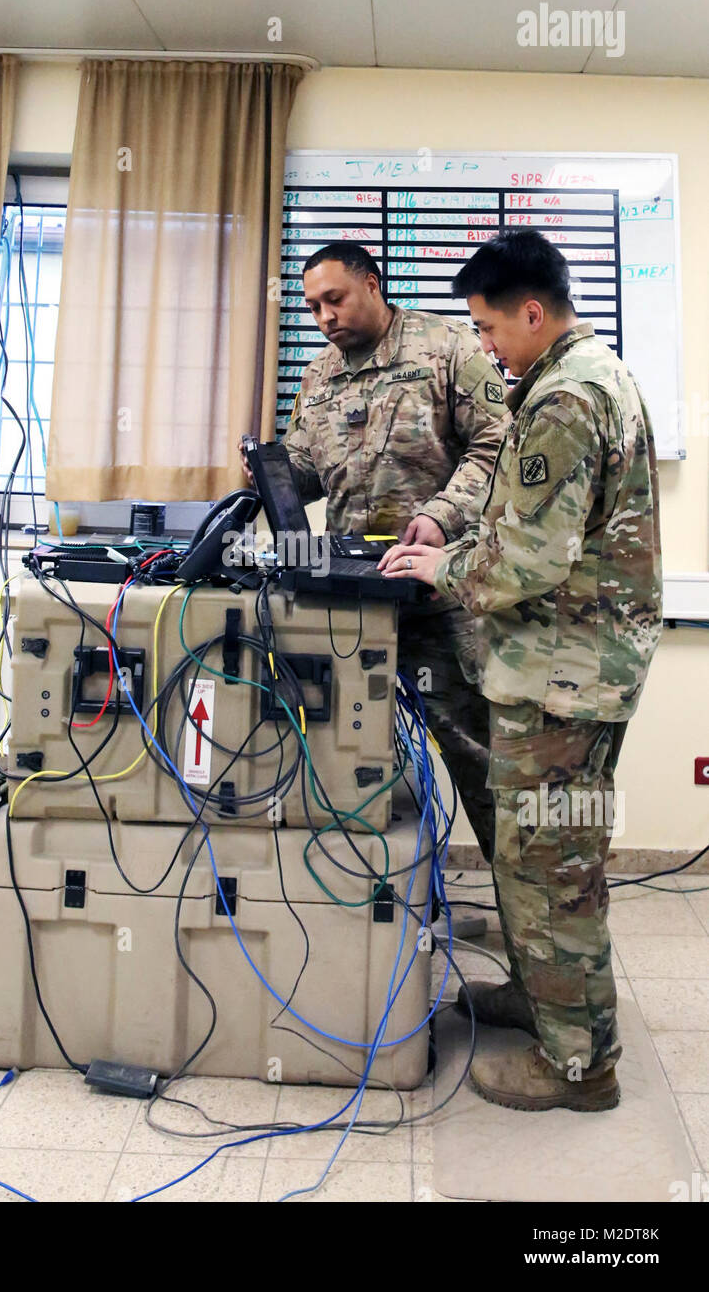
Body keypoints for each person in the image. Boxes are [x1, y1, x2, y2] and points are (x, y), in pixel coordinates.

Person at [379, 229, 662, 1111]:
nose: (485, 347)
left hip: (561, 676)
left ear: (532, 312)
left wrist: (441, 568)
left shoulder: (565, 401)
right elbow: (540, 530)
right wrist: (459, 535)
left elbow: (531, 561)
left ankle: (579, 1067)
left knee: (551, 868)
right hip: (569, 667)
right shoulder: (584, 376)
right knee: (543, 852)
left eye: (490, 328)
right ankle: (548, 1006)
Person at [240, 241, 509, 864]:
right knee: (355, 753)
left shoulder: (446, 348)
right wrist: (271, 474)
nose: (325, 316)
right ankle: (390, 912)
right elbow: (309, 471)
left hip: (439, 595)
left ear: (372, 282)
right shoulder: (319, 374)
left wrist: (442, 517)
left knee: (477, 753)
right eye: (313, 307)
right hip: (352, 599)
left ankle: (525, 914)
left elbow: (499, 446)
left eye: (335, 298)